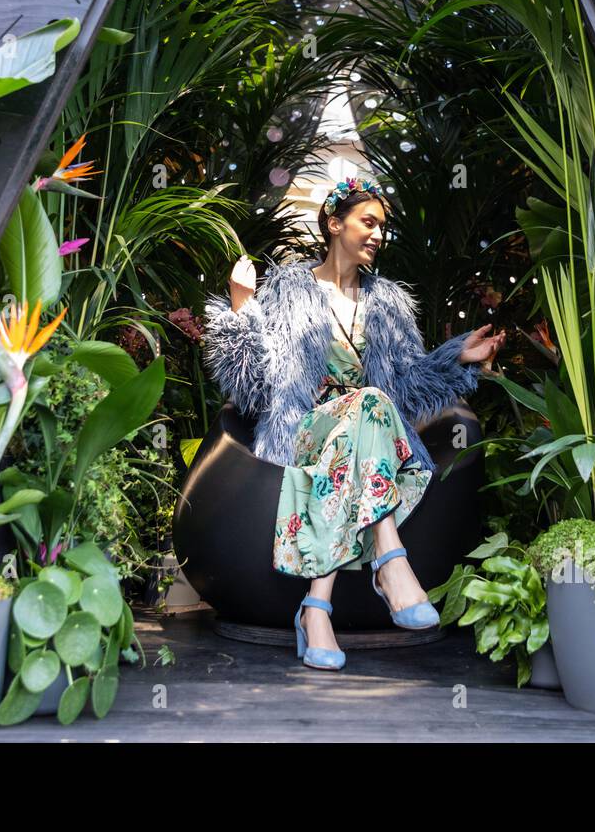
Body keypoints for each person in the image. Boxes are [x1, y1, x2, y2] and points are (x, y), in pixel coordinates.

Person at [201, 178, 505, 670]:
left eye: (382, 227)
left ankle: (316, 608)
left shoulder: (388, 304)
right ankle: (390, 562)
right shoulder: (289, 291)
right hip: (301, 433)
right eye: (369, 222)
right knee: (368, 404)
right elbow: (252, 389)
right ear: (334, 223)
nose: (377, 235)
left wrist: (457, 359)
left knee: (371, 405)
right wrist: (241, 306)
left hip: (366, 439)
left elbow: (406, 390)